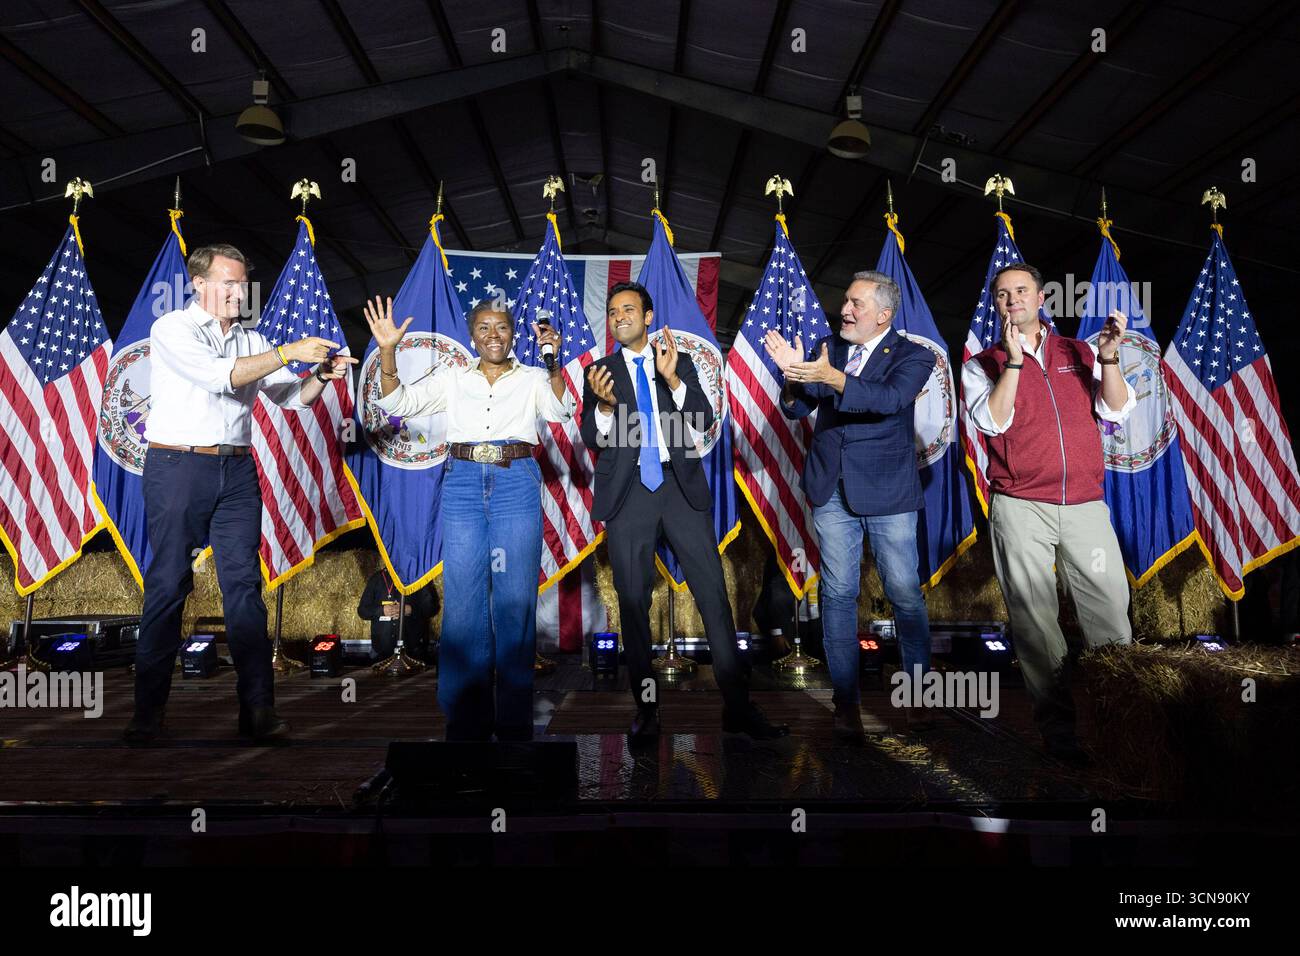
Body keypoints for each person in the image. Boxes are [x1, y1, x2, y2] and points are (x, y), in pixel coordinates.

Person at [125, 244, 356, 745]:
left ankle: (258, 711)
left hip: (237, 469)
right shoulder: (173, 329)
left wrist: (319, 375)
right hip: (179, 466)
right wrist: (290, 352)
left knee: (245, 589)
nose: (238, 292)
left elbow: (292, 399)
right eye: (228, 282)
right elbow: (220, 377)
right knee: (169, 586)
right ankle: (147, 714)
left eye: (243, 283)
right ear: (199, 284)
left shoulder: (251, 338)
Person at [580, 281, 788, 745]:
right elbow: (595, 439)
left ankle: (737, 707)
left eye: (629, 309)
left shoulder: (679, 361)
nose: (619, 317)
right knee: (634, 604)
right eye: (613, 312)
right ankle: (647, 710)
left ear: (648, 317)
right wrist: (609, 408)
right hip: (629, 493)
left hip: (679, 488)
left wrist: (672, 380)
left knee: (713, 596)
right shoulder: (601, 372)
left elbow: (699, 419)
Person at [364, 296, 572, 741]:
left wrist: (554, 363)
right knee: (464, 597)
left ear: (513, 334)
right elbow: (397, 402)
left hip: (515, 479)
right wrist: (387, 351)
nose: (493, 336)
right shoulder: (452, 378)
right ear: (472, 335)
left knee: (515, 599)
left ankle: (515, 719)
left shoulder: (535, 376)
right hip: (461, 481)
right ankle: (465, 716)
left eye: (501, 328)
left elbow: (560, 411)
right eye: (484, 328)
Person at [962, 262, 1136, 766]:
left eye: (1021, 291)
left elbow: (1116, 410)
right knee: (1036, 624)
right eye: (1002, 294)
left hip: (1085, 505)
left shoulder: (1080, 352)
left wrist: (1108, 360)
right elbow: (993, 422)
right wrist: (1013, 364)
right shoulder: (982, 364)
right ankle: (1059, 731)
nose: (1012, 299)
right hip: (1019, 507)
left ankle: (1121, 722)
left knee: (1110, 613)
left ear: (1042, 299)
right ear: (996, 306)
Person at [764, 270, 936, 743]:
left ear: (883, 314)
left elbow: (889, 399)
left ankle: (918, 699)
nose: (845, 309)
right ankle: (846, 703)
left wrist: (829, 376)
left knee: (904, 595)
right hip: (831, 491)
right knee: (838, 595)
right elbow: (799, 408)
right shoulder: (829, 348)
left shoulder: (913, 355)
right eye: (845, 300)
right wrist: (794, 377)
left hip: (888, 494)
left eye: (856, 303)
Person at [356, 568, 440, 661]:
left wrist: (410, 609)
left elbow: (432, 608)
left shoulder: (419, 578)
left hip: (413, 651)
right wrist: (381, 610)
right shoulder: (377, 579)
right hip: (380, 652)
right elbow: (362, 611)